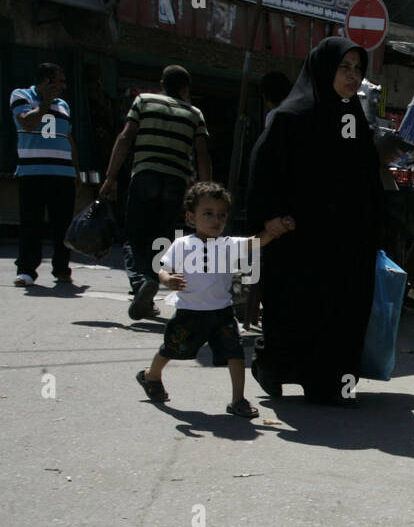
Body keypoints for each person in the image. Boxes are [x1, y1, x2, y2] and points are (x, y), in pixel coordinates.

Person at [246, 37, 383, 406]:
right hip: (298, 239)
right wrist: (270, 220)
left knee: (344, 309)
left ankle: (330, 384)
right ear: (324, 69)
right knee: (295, 308)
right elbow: (264, 172)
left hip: (347, 241)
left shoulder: (353, 119)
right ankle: (271, 364)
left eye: (358, 69)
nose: (353, 76)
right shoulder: (293, 117)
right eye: (345, 67)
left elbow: (369, 181)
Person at [135, 182, 294, 417]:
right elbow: (163, 268)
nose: (215, 220)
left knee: (235, 354)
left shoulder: (228, 245)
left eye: (221, 215)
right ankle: (151, 376)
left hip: (222, 313)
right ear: (191, 217)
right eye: (207, 213)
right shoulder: (182, 244)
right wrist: (168, 280)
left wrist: (274, 230)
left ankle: (238, 400)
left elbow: (256, 241)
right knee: (171, 348)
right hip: (189, 313)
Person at [101, 66, 212, 320]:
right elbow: (202, 154)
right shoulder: (194, 113)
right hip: (175, 182)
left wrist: (110, 177)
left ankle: (142, 283)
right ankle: (148, 287)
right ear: (186, 88)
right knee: (160, 239)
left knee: (133, 237)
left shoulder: (143, 101)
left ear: (162, 83)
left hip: (145, 176)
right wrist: (206, 194)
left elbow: (126, 136)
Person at [10, 62, 81, 287]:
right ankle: (27, 270)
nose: (63, 86)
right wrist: (45, 104)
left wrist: (76, 172)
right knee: (31, 221)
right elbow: (27, 123)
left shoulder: (63, 105)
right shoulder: (21, 96)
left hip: (62, 173)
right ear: (46, 81)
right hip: (33, 171)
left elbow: (68, 138)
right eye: (59, 81)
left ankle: (61, 269)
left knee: (62, 224)